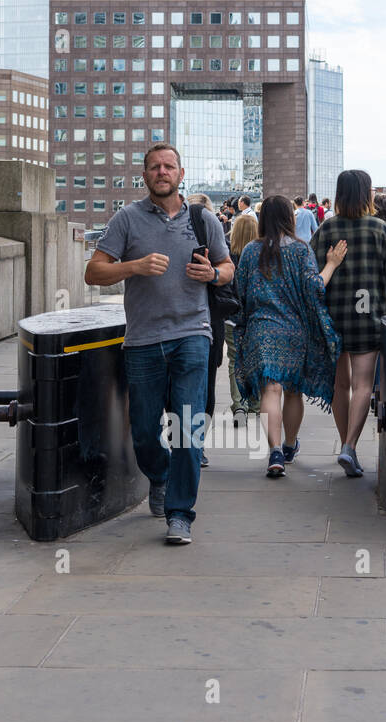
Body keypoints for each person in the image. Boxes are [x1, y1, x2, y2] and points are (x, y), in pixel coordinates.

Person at [84, 142, 232, 545]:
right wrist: (134, 266)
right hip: (144, 339)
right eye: (154, 167)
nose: (162, 172)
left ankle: (180, 513)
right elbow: (93, 273)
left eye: (169, 166)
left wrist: (213, 275)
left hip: (193, 333)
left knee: (187, 427)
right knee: (144, 432)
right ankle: (161, 475)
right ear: (145, 176)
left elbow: (227, 267)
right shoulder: (126, 220)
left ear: (180, 174)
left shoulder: (204, 219)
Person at [234, 196, 346, 477]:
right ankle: (289, 444)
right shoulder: (300, 249)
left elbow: (241, 290)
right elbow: (314, 287)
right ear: (289, 218)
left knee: (270, 390)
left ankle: (273, 451)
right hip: (294, 329)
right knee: (293, 390)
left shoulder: (250, 251)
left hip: (262, 329)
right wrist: (331, 263)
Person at [311, 169, 386, 478]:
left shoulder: (327, 228)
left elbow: (312, 271)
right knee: (363, 384)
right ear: (367, 194)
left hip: (335, 317)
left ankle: (344, 442)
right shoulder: (379, 228)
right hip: (368, 317)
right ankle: (350, 446)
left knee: (340, 385)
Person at [187, 193, 225, 467]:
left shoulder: (212, 234)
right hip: (208, 320)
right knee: (204, 386)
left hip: (209, 318)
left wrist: (213, 273)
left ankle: (193, 443)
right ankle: (193, 443)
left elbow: (227, 272)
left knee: (205, 384)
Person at [226, 215, 262, 427]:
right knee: (255, 361)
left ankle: (239, 405)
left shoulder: (226, 256)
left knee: (234, 361)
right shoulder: (260, 255)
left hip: (231, 317)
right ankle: (256, 405)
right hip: (255, 317)